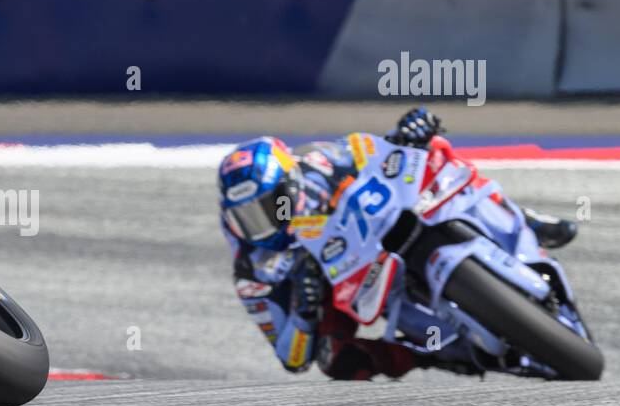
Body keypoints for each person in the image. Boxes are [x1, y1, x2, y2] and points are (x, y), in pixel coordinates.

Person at [216, 108, 578, 380]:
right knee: (335, 359)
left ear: (288, 182)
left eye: (268, 208)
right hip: (339, 286)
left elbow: (369, 155)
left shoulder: (316, 164)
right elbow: (292, 358)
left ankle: (520, 216)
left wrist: (405, 136)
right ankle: (432, 355)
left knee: (434, 152)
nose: (262, 226)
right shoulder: (252, 268)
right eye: (248, 218)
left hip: (367, 236)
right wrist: (306, 312)